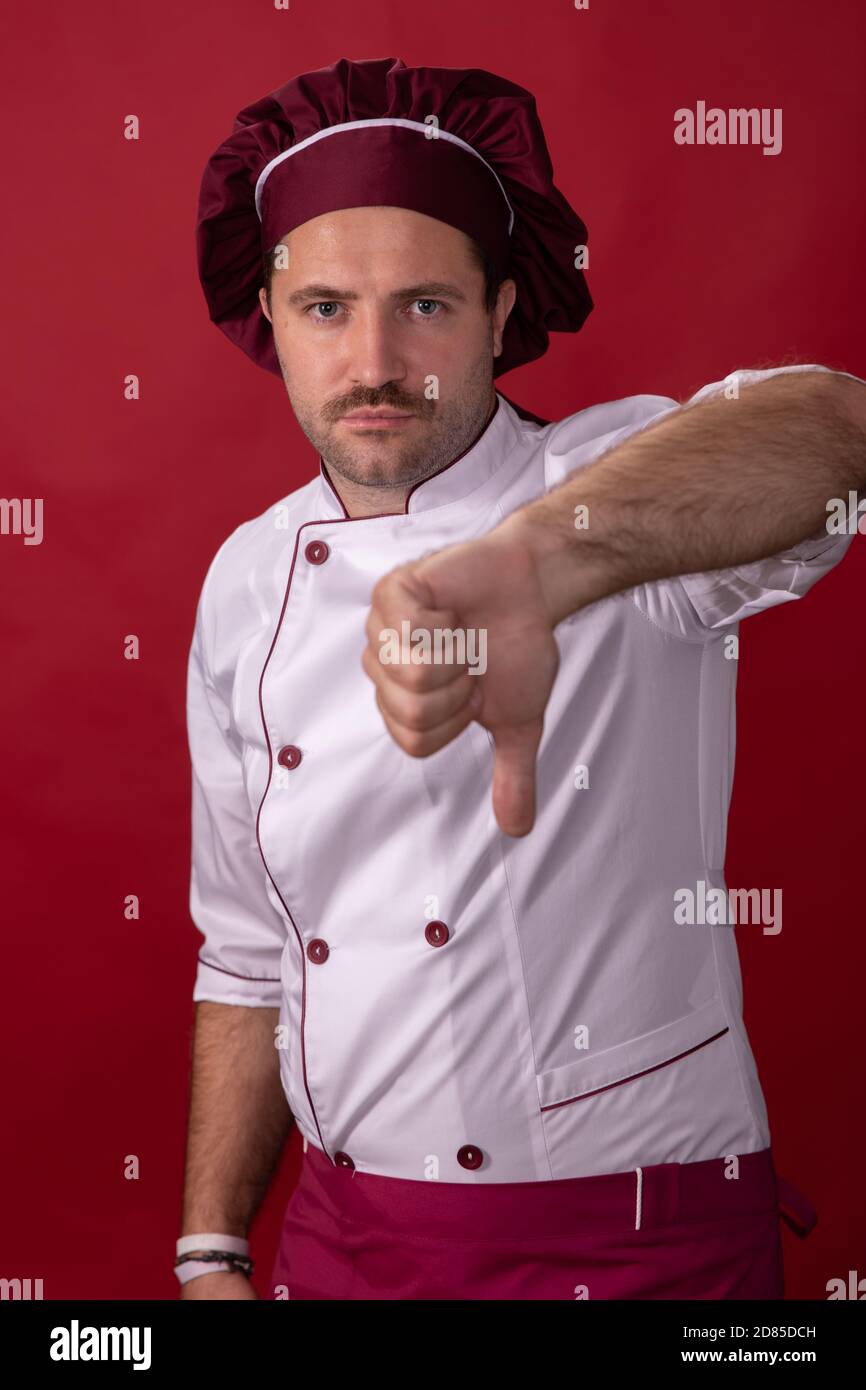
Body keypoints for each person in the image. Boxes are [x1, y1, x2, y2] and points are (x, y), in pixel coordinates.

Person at [177, 56, 866, 1300]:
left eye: (426, 306)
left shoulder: (614, 483)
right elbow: (245, 952)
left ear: (500, 313)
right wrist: (209, 1244)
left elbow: (838, 431)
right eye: (325, 307)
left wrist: (541, 560)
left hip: (632, 1236)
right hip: (341, 1242)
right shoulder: (243, 580)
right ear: (266, 317)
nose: (376, 361)